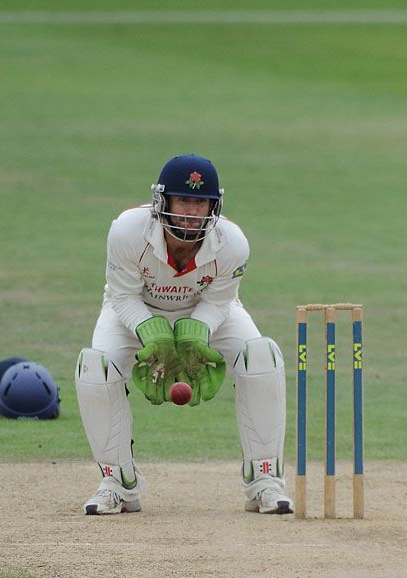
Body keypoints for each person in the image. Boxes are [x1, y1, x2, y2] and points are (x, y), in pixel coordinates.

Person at [75, 154, 291, 515]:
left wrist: (196, 332)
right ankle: (117, 484)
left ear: (214, 205)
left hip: (207, 311)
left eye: (201, 201)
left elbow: (221, 301)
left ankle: (264, 481)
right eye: (184, 200)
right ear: (163, 202)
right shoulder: (128, 231)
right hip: (132, 310)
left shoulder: (233, 243)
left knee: (262, 355)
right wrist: (151, 331)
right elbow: (122, 295)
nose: (192, 210)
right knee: (94, 368)